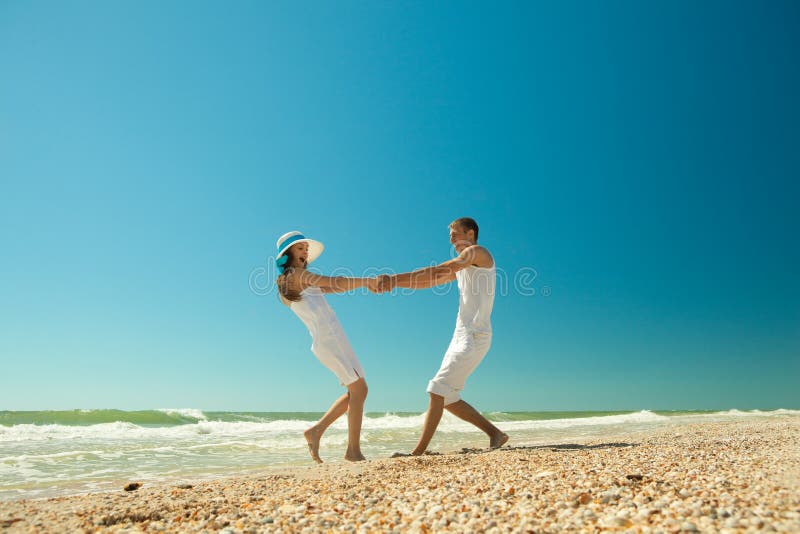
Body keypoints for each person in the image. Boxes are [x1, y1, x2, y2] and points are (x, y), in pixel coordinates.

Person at [373, 217, 508, 455]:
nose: (451, 239)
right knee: (448, 397)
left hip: (474, 335)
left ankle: (418, 453)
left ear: (471, 233)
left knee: (437, 389)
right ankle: (495, 434)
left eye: (455, 233)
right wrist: (397, 284)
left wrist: (393, 278)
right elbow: (432, 279)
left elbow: (440, 269)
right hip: (462, 335)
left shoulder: (477, 252)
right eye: (450, 235)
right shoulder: (464, 266)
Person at [275, 231, 375, 463]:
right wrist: (367, 280)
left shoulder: (296, 280)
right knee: (359, 391)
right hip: (330, 340)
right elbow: (335, 282)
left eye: (305, 248)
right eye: (300, 248)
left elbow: (336, 288)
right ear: (288, 254)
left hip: (331, 339)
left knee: (358, 391)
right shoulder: (296, 275)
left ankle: (316, 431)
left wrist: (363, 284)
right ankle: (353, 452)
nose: (305, 251)